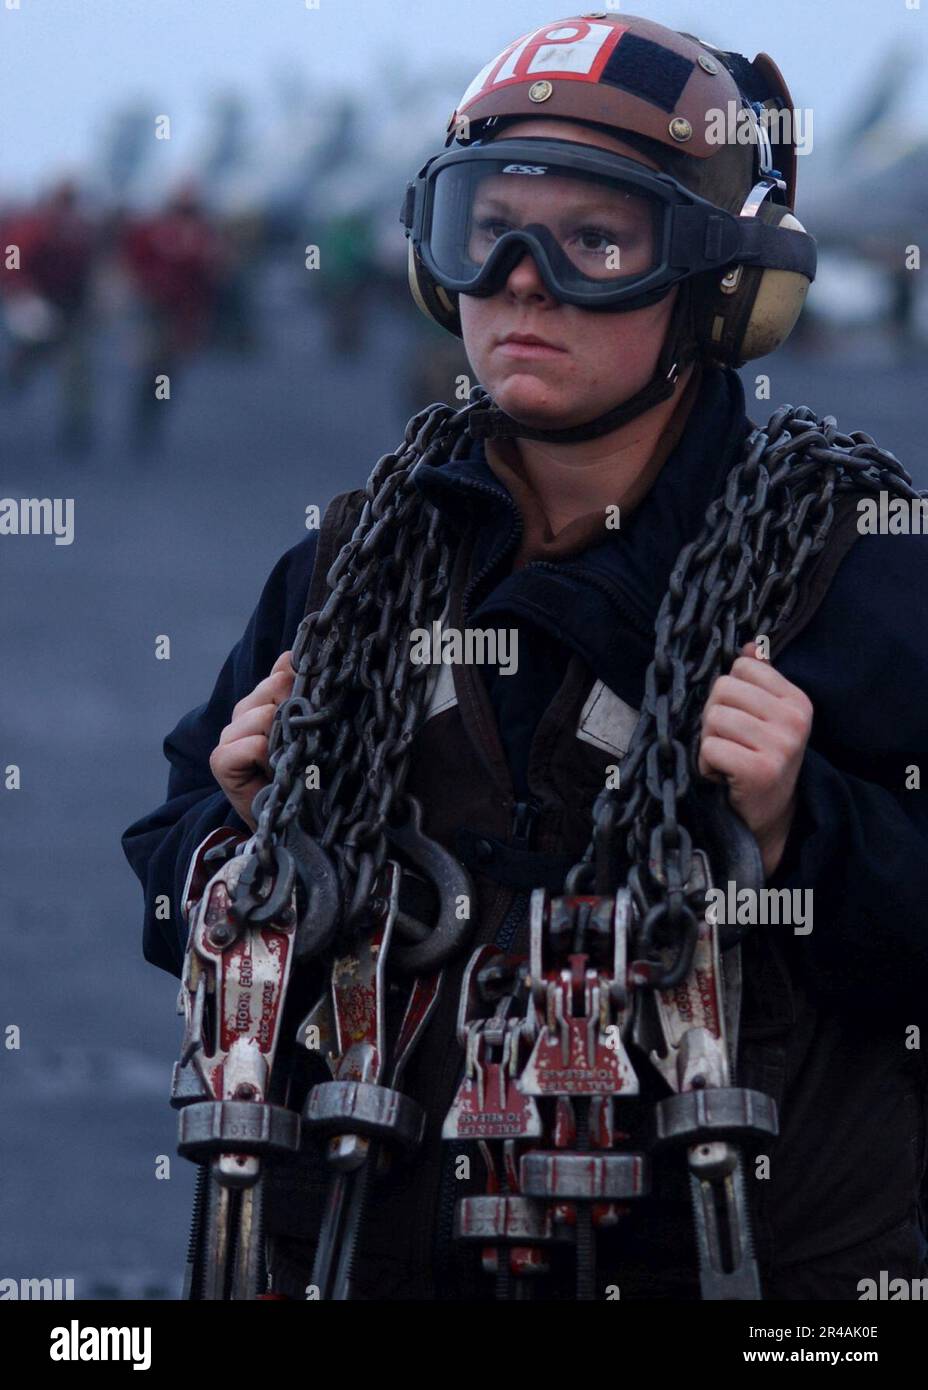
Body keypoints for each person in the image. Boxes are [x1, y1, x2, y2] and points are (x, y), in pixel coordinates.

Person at [123, 14, 928, 1301]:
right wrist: (239, 844)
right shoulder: (351, 569)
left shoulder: (855, 571)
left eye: (596, 241)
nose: (520, 279)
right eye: (482, 230)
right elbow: (166, 887)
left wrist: (801, 832)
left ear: (724, 284)